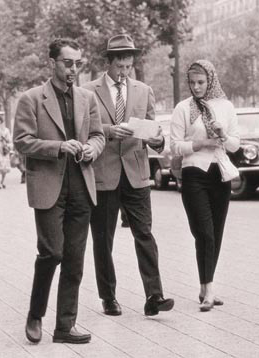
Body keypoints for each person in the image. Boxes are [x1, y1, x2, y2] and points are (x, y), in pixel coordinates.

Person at [13, 38, 105, 344]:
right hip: (49, 186)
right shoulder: (31, 99)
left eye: (78, 64)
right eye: (68, 63)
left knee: (75, 259)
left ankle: (65, 325)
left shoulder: (86, 98)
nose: (73, 69)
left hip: (81, 185)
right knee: (52, 252)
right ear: (52, 63)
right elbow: (22, 141)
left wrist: (92, 148)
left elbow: (97, 135)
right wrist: (58, 147)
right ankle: (35, 314)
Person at [83, 34, 174, 317]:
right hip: (103, 173)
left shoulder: (144, 90)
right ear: (108, 63)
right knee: (103, 239)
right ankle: (108, 297)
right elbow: (84, 129)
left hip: (136, 173)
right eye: (119, 66)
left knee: (144, 234)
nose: (124, 72)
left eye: (129, 67)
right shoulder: (87, 91)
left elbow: (152, 129)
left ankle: (154, 295)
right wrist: (110, 131)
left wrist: (158, 141)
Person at [170, 60, 240, 312]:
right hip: (193, 173)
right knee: (204, 232)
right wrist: (199, 144)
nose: (196, 87)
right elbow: (175, 146)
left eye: (201, 82)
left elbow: (234, 145)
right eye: (192, 82)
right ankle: (209, 288)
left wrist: (222, 135)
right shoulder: (183, 108)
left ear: (210, 80)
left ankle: (205, 287)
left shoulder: (226, 107)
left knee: (216, 232)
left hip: (219, 173)